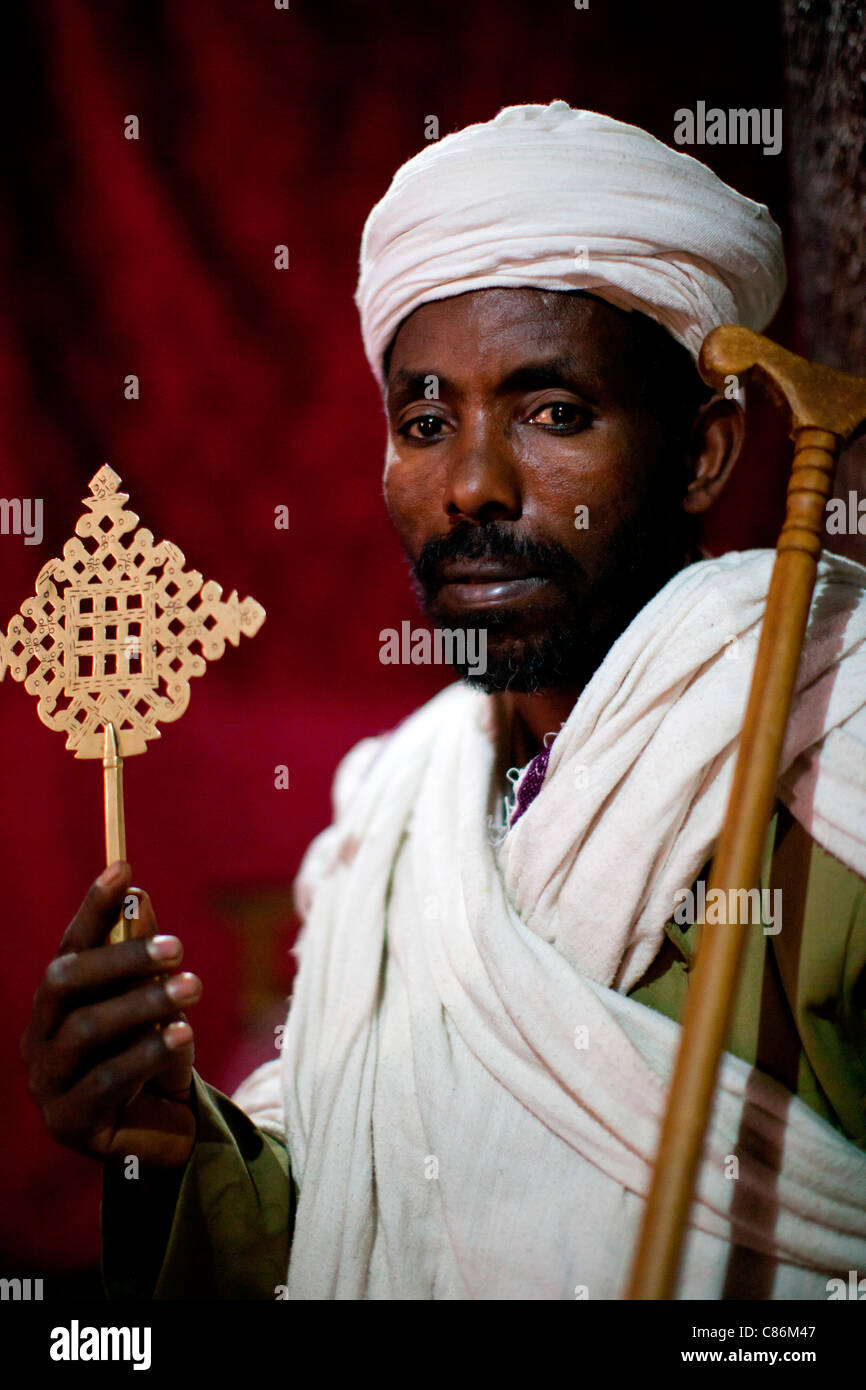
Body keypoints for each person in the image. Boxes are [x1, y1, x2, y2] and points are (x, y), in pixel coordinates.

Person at [20, 102, 866, 1301]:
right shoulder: (396, 809)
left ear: (702, 453)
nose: (470, 483)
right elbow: (345, 1232)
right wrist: (165, 1139)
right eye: (425, 422)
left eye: (553, 413)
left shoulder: (827, 741)